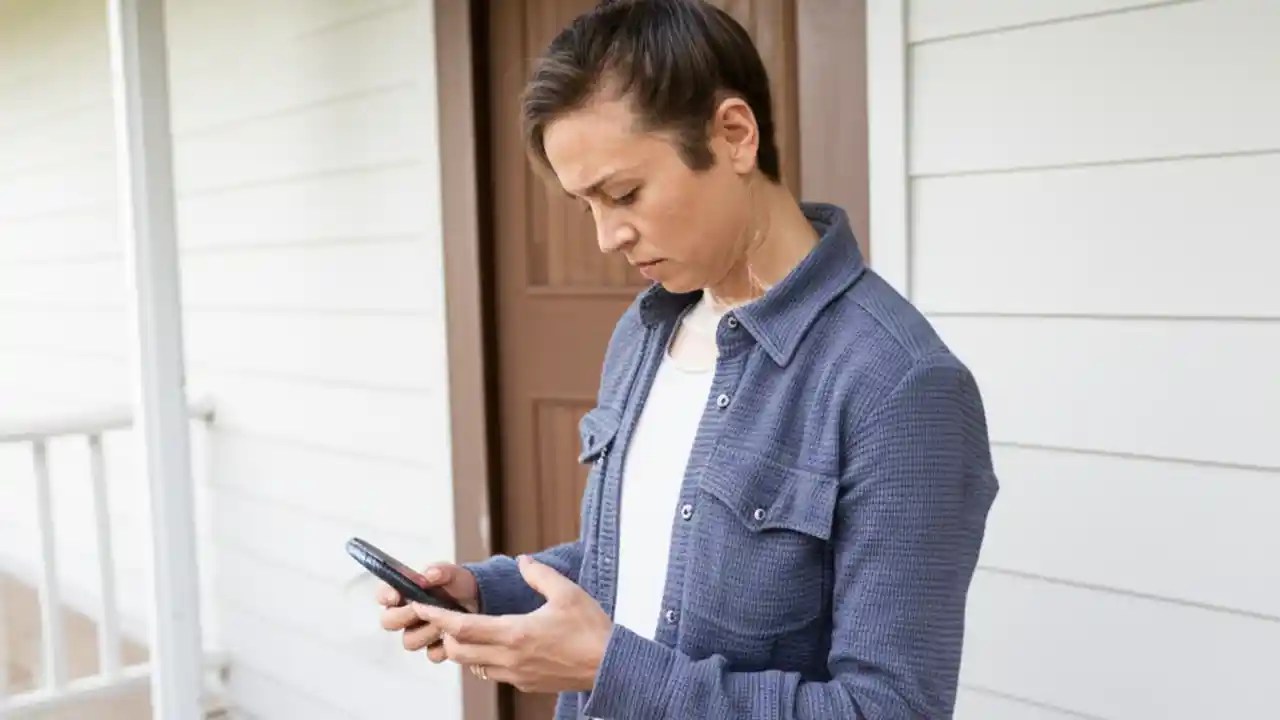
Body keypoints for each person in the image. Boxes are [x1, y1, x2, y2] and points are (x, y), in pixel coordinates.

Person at [377, 1, 998, 717]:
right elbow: (648, 559)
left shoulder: (899, 385)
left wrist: (612, 669)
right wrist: (490, 592)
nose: (608, 236)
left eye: (624, 193)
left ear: (734, 136)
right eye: (587, 207)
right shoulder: (644, 333)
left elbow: (890, 708)